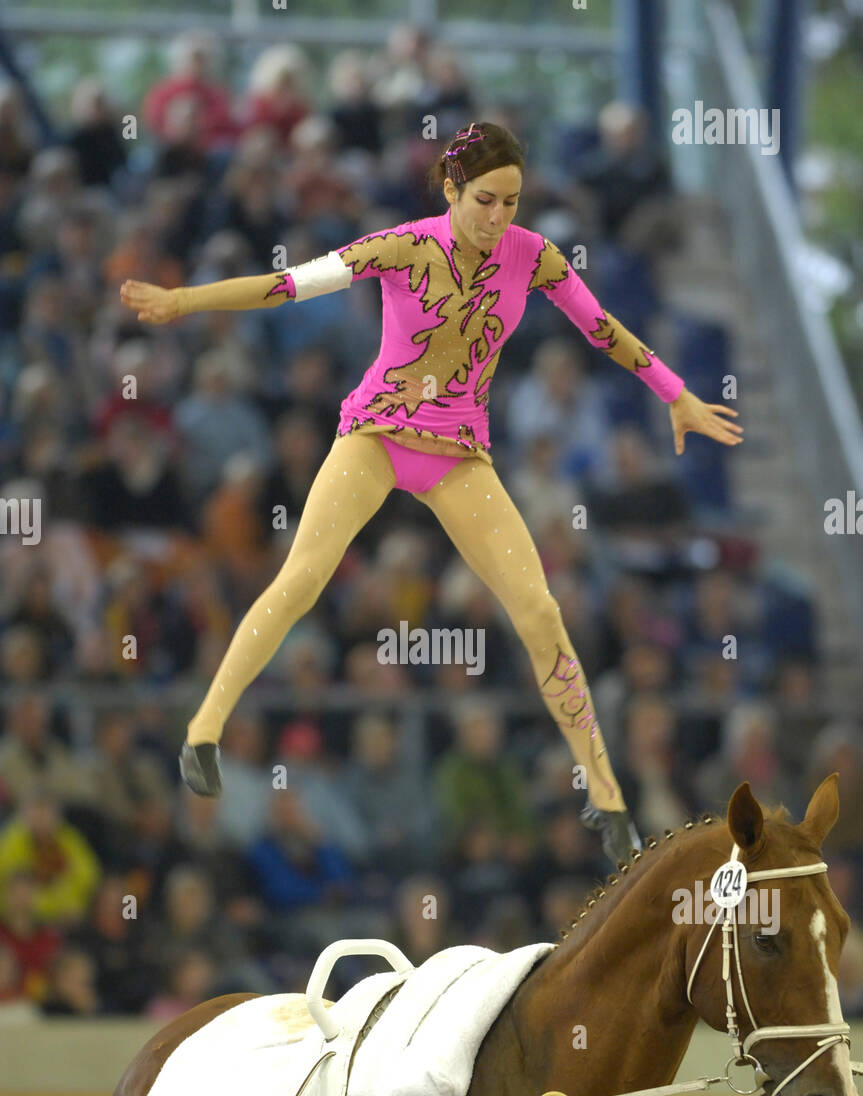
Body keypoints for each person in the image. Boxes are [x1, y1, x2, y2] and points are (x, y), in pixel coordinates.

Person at [120, 121, 742, 867]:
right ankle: (205, 728)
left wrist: (673, 392)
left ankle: (606, 796)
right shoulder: (401, 247)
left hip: (457, 453)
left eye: (511, 201)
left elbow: (600, 328)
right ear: (450, 190)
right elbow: (286, 286)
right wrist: (184, 302)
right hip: (377, 433)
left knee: (541, 610)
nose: (498, 216)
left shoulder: (533, 256)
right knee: (302, 579)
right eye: (484, 200)